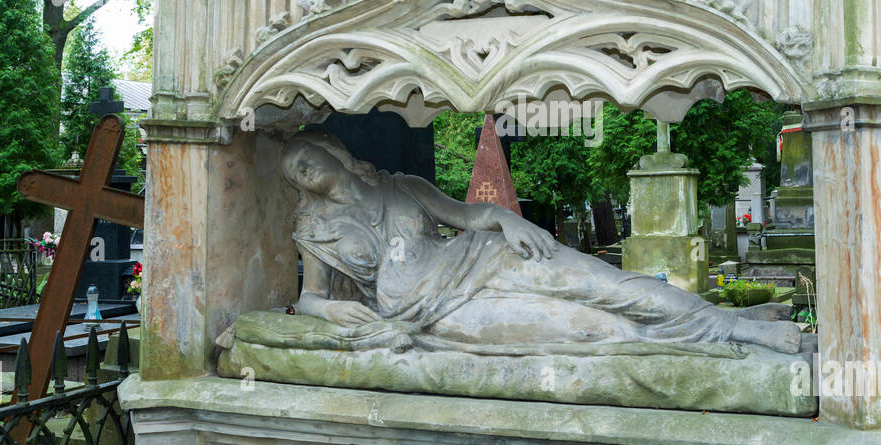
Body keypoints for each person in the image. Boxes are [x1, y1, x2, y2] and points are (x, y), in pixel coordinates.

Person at [281, 131, 801, 354]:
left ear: (333, 151)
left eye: (304, 159)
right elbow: (310, 295)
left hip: (480, 256)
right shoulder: (316, 230)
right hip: (429, 312)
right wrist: (325, 314)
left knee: (608, 284)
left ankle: (737, 325)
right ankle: (719, 334)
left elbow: (469, 214)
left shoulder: (401, 187)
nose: (301, 174)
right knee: (590, 327)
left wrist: (510, 221)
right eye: (293, 177)